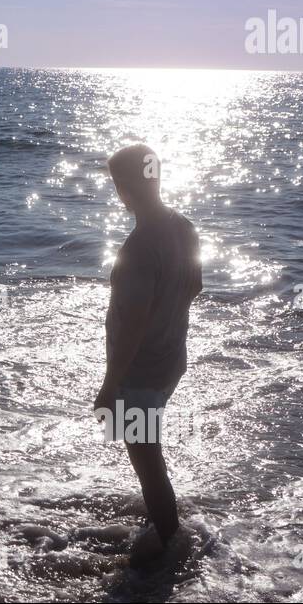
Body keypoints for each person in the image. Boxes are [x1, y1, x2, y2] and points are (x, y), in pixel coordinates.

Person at [93, 144, 202, 564]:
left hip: (139, 371)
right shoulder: (183, 227)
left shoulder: (138, 248)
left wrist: (109, 386)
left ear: (123, 188)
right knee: (148, 451)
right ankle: (164, 532)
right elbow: (195, 287)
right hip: (171, 359)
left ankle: (172, 553)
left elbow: (134, 324)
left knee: (148, 464)